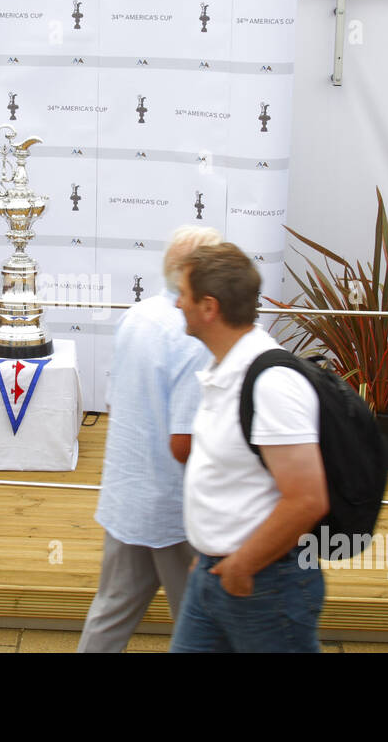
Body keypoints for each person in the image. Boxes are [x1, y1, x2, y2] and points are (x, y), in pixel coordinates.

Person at [168, 243, 329, 653]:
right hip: (216, 574)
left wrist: (241, 566)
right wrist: (208, 551)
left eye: (182, 294)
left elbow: (307, 499)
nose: (176, 303)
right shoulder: (223, 369)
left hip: (266, 584)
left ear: (208, 307)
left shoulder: (272, 384)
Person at [77, 225, 221, 653]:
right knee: (199, 625)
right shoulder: (195, 338)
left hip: (126, 496)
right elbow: (185, 439)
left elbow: (114, 402)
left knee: (111, 610)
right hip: (175, 509)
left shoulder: (135, 317)